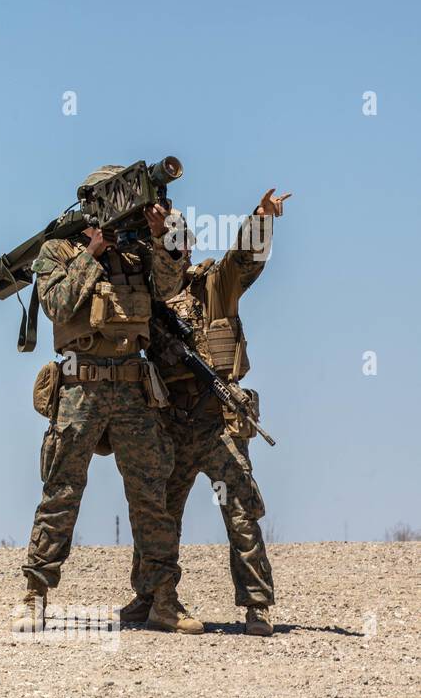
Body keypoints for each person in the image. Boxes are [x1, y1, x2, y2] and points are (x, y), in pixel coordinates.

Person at [17, 164, 202, 635]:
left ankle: (162, 598)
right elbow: (57, 305)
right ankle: (35, 593)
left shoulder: (138, 251)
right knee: (62, 491)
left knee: (151, 496)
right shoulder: (57, 249)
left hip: (132, 388)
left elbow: (170, 288)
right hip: (80, 388)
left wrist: (165, 238)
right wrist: (93, 253)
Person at [122, 189, 291, 637]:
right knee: (160, 515)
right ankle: (150, 596)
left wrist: (261, 219)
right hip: (171, 423)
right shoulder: (148, 301)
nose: (178, 249)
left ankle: (256, 605)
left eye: (182, 241)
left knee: (240, 512)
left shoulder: (214, 285)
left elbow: (245, 260)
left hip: (218, 420)